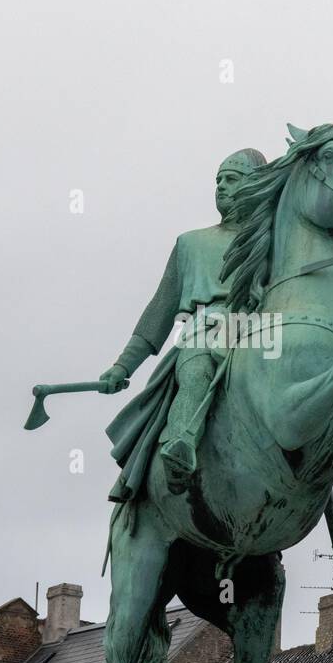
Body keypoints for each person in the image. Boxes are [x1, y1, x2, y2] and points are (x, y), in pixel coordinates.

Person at [101, 149, 266, 497]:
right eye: (218, 180)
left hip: (264, 330)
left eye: (231, 179)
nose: (220, 186)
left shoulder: (274, 240)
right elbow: (159, 313)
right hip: (205, 329)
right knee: (196, 370)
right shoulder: (191, 243)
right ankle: (179, 445)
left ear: (255, 185)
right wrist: (122, 366)